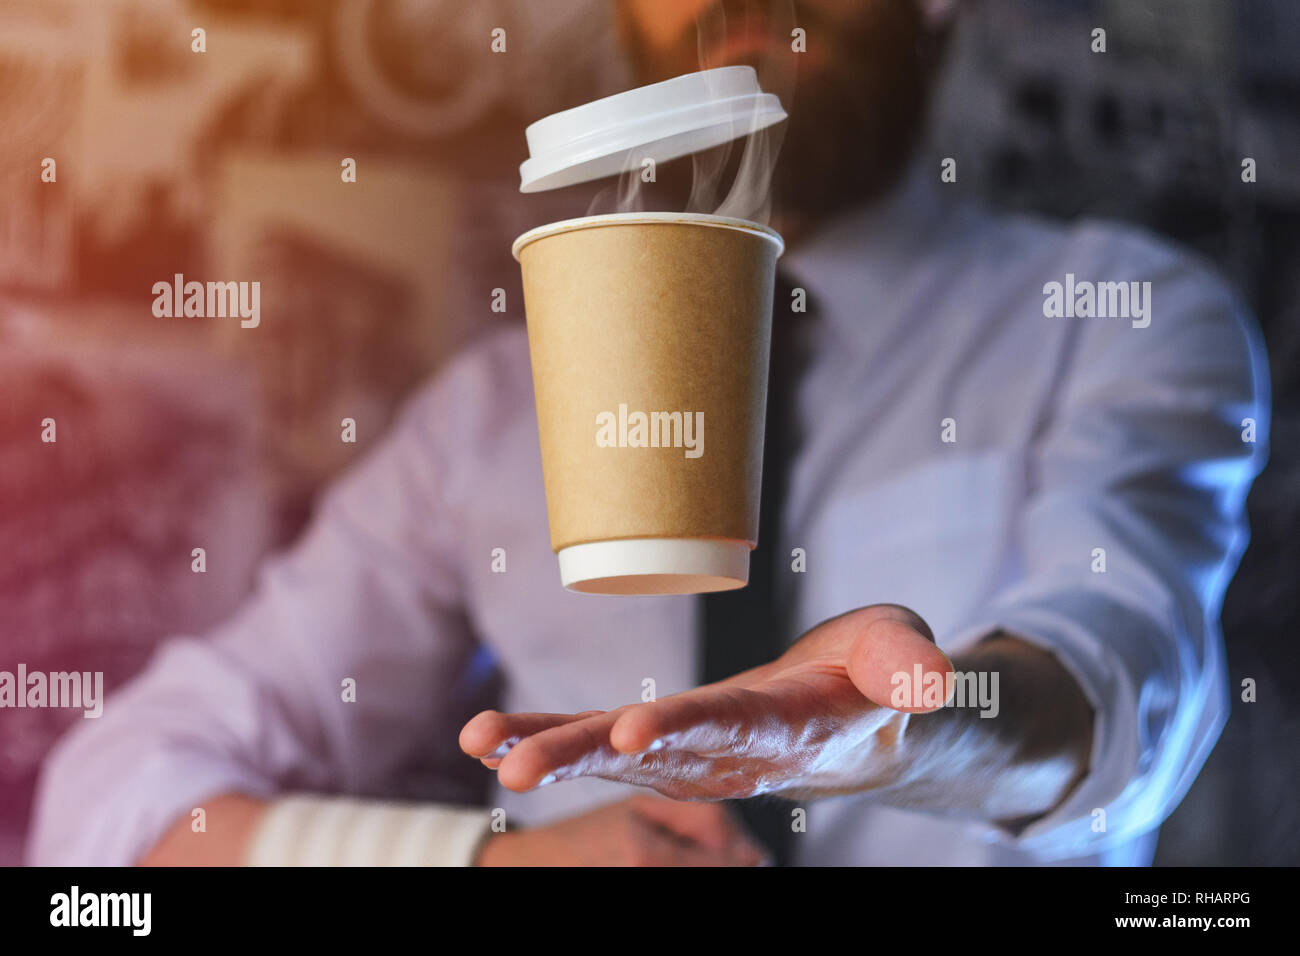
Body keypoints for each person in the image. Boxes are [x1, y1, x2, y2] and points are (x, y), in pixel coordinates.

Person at [29, 0, 1269, 867]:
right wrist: (479, 863)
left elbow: (1127, 681)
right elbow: (106, 801)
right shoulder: (484, 421)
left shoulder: (1116, 318)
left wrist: (909, 732)